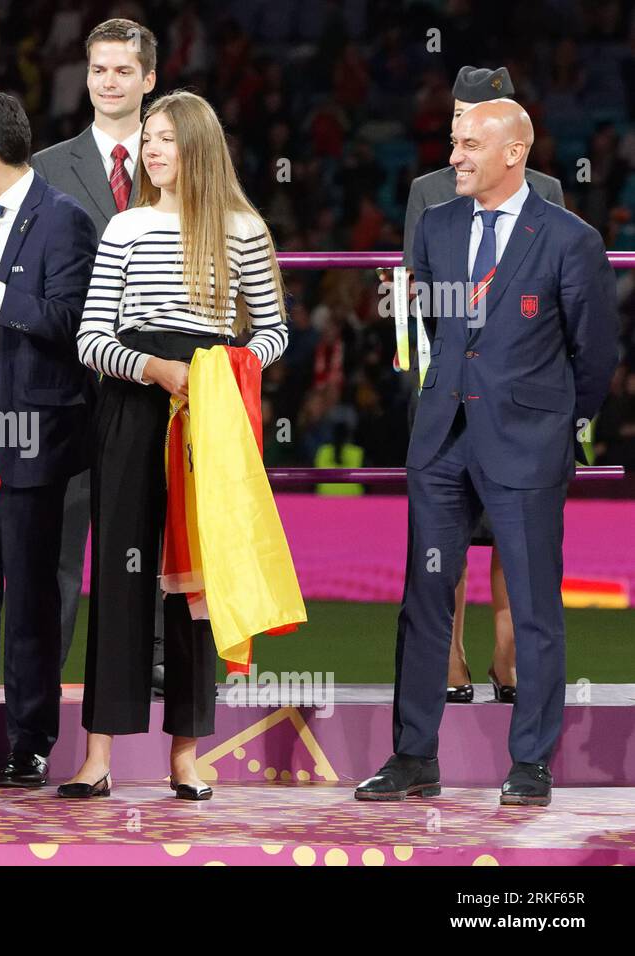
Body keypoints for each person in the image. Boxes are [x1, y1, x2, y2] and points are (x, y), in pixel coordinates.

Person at [356, 100, 618, 808]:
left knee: (533, 607)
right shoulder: (436, 228)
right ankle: (414, 756)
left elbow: (595, 356)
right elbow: (439, 330)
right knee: (423, 604)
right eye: (454, 142)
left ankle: (530, 762)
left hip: (526, 446)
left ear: (514, 153)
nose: (455, 156)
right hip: (442, 442)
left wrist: (556, 424)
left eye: (470, 144)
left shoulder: (571, 239)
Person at [61, 90, 288, 800]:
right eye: (149, 139)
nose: (153, 150)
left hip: (210, 412)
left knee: (195, 587)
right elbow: (91, 337)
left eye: (167, 139)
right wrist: (153, 369)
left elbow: (274, 331)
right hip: (131, 407)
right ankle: (97, 755)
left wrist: (224, 372)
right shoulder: (124, 228)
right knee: (120, 578)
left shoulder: (242, 228)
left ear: (199, 146)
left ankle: (186, 755)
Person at [0, 91, 99, 788]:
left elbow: (72, 319)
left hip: (33, 434)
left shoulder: (66, 220)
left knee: (31, 600)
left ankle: (29, 740)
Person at [402, 66, 564, 706]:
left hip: (520, 385)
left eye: (475, 127)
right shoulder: (430, 193)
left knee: (514, 527)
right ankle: (449, 656)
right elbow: (417, 284)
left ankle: (510, 657)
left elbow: (556, 284)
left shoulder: (547, 189)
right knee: (447, 524)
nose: (461, 140)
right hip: (448, 375)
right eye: (457, 127)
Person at [31, 17, 158, 681]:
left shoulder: (178, 163)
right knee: (56, 552)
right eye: (99, 70)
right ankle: (38, 691)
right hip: (66, 391)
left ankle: (149, 675)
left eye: (122, 70)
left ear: (150, 79)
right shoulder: (47, 168)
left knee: (150, 544)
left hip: (156, 388)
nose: (109, 82)